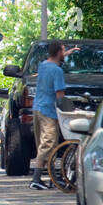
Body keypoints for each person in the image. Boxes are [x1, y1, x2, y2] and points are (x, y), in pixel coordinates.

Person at [30, 41, 80, 190]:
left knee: (46, 144)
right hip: (48, 111)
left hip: (37, 108)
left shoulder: (43, 65)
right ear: (58, 52)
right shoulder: (57, 71)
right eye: (63, 50)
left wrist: (66, 53)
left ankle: (53, 177)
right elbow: (60, 95)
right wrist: (70, 110)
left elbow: (54, 59)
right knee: (49, 143)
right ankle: (36, 179)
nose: (64, 53)